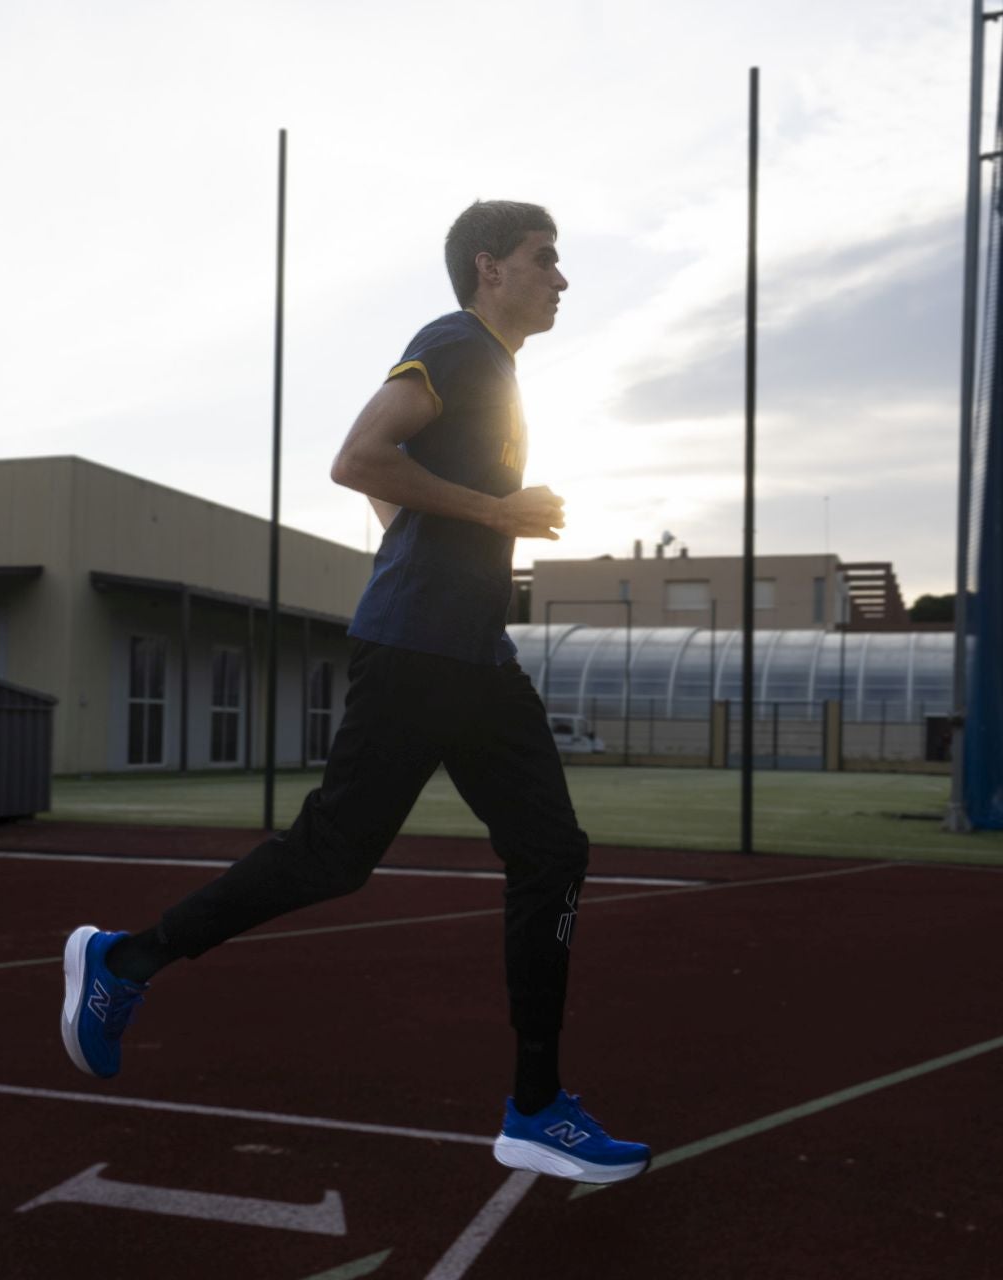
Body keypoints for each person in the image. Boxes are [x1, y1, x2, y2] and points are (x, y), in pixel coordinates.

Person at [60, 200, 649, 1185]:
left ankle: (538, 1108)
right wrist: (493, 513)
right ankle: (121, 963)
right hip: (417, 650)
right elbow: (357, 460)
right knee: (333, 857)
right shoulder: (456, 344)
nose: (561, 277)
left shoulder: (496, 375)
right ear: (489, 266)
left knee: (552, 853)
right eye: (544, 257)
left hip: (471, 654)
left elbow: (392, 488)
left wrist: (448, 530)